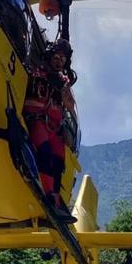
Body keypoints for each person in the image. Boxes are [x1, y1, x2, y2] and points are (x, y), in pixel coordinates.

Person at [24, 38, 78, 222]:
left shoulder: (63, 81)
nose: (59, 61)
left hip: (55, 129)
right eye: (57, 57)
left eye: (63, 59)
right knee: (45, 154)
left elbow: (70, 105)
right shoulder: (37, 71)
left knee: (58, 162)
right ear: (50, 55)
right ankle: (48, 195)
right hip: (37, 121)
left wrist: (64, 88)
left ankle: (54, 199)